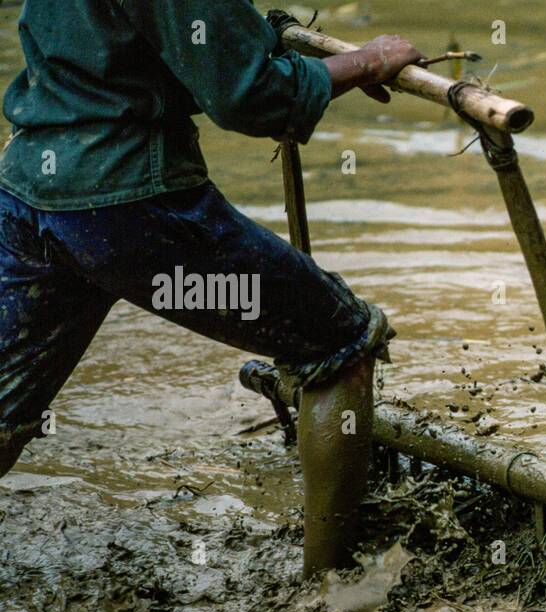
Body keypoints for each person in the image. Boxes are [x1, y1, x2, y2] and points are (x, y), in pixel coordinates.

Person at [0, 1, 430, 575]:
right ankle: (330, 585)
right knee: (339, 340)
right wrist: (366, 63)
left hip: (30, 194)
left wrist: (263, 38)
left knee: (5, 403)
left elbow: (135, 37)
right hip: (131, 203)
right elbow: (251, 98)